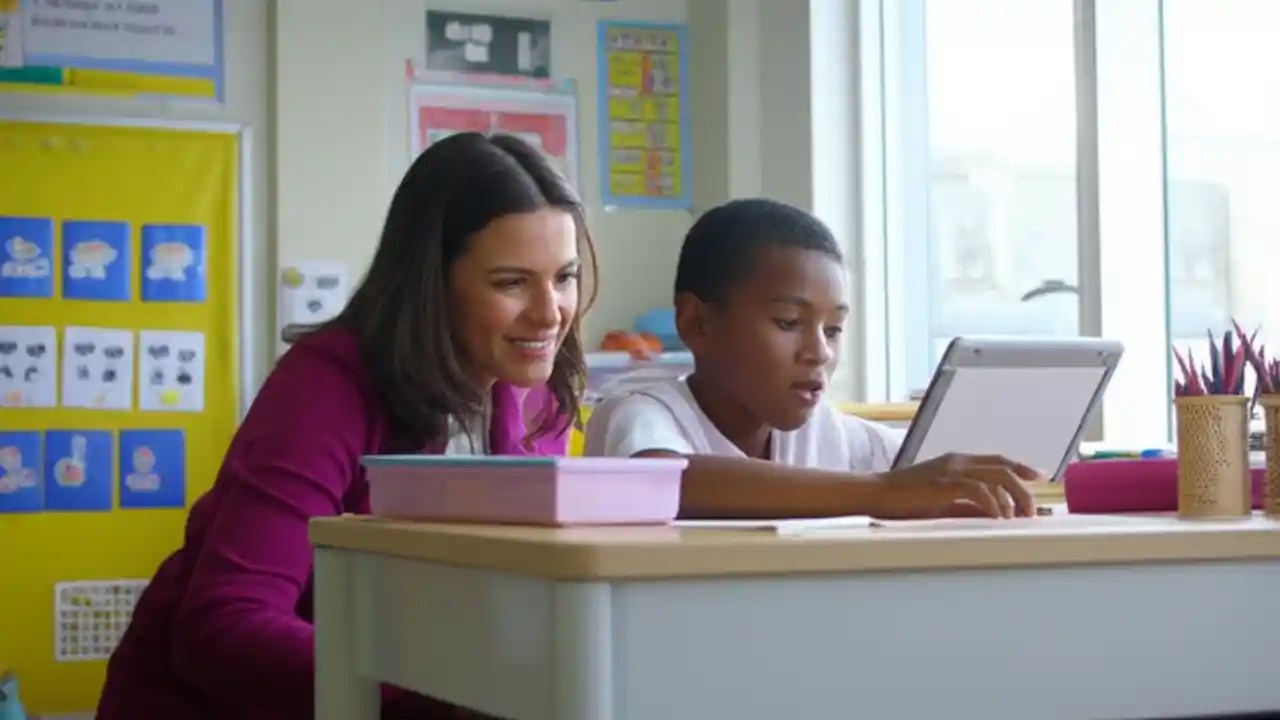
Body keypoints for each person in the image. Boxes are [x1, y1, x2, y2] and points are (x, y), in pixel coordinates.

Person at [97, 132, 597, 720]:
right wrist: (443, 700)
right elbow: (223, 626)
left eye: (563, 277)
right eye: (511, 282)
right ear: (431, 282)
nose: (550, 312)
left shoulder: (538, 398)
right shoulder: (327, 385)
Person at [584, 198, 1039, 519]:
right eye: (787, 322)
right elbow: (665, 482)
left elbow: (930, 469)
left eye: (834, 329)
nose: (819, 351)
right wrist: (882, 493)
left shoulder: (830, 434)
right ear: (696, 322)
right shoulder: (640, 409)